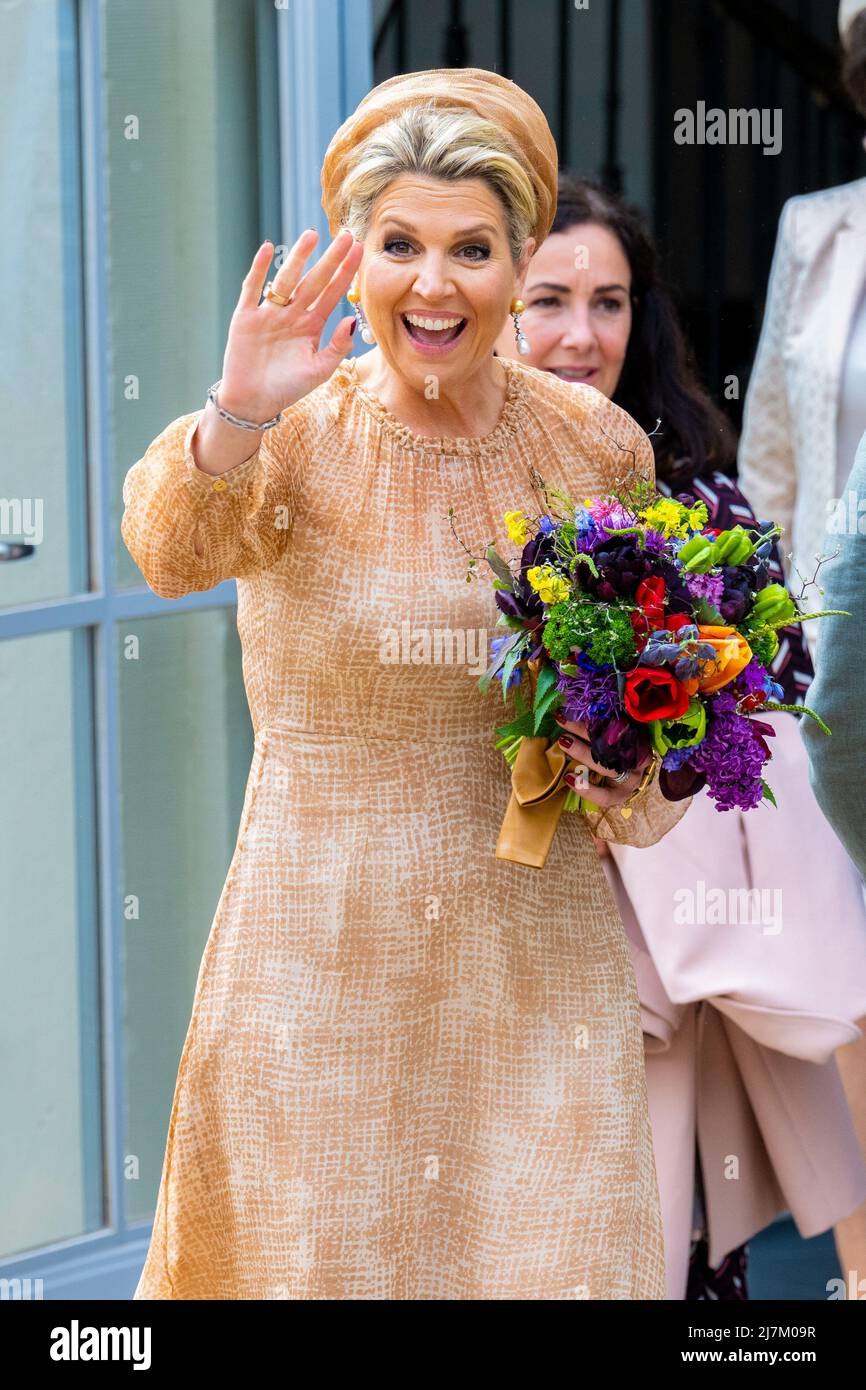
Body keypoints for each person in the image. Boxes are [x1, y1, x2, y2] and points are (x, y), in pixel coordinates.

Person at [120, 68, 692, 1301]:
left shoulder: (596, 444)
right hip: (316, 962)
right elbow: (170, 552)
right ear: (359, 254)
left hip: (532, 968)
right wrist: (232, 414)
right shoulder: (295, 427)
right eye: (398, 245)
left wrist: (628, 766)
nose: (432, 283)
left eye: (470, 248)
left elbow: (653, 727)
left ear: (519, 257)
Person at [495, 173, 866, 1300]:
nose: (580, 334)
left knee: (661, 1242)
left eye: (608, 302)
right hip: (492, 944)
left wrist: (658, 730)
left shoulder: (693, 489)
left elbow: (782, 672)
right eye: (549, 299)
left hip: (655, 945)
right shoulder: (452, 491)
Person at [736, 0, 866, 1284]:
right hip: (839, 681)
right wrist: (766, 677)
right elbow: (772, 464)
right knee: (849, 990)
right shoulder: (815, 230)